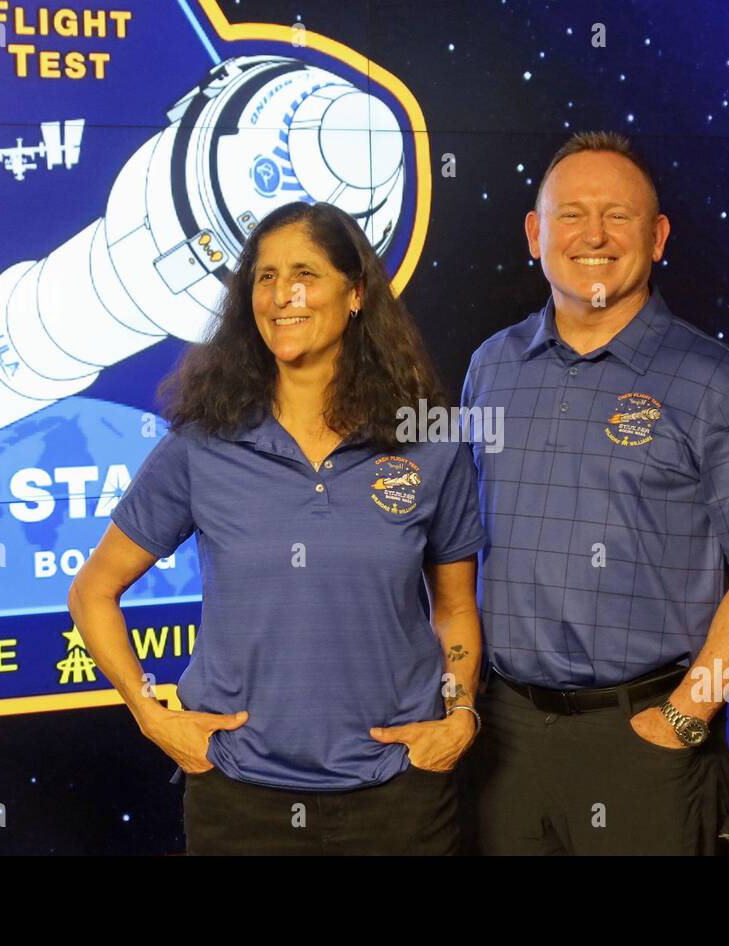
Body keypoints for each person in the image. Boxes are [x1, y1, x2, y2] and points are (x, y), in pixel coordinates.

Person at [68, 201, 486, 855]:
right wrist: (152, 716)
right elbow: (93, 591)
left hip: (399, 800)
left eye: (305, 274)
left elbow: (456, 607)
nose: (281, 296)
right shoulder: (204, 444)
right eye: (264, 277)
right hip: (242, 804)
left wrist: (459, 716)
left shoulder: (428, 439)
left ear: (354, 294)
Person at [458, 131, 729, 855]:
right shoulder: (491, 368)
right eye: (571, 214)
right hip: (506, 740)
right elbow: (461, 545)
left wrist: (684, 717)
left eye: (618, 216)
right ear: (536, 234)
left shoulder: (717, 383)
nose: (593, 235)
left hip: (643, 739)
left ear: (656, 238)